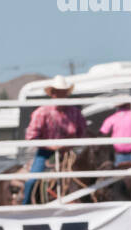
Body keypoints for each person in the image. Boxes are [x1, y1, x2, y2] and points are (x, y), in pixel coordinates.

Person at [21, 76, 87, 204]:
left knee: (85, 176)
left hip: (70, 153)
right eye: (58, 92)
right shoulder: (42, 112)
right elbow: (31, 136)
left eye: (63, 92)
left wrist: (72, 142)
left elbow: (82, 132)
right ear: (53, 94)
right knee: (32, 180)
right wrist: (51, 146)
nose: (61, 95)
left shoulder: (75, 112)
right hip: (46, 153)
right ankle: (26, 206)